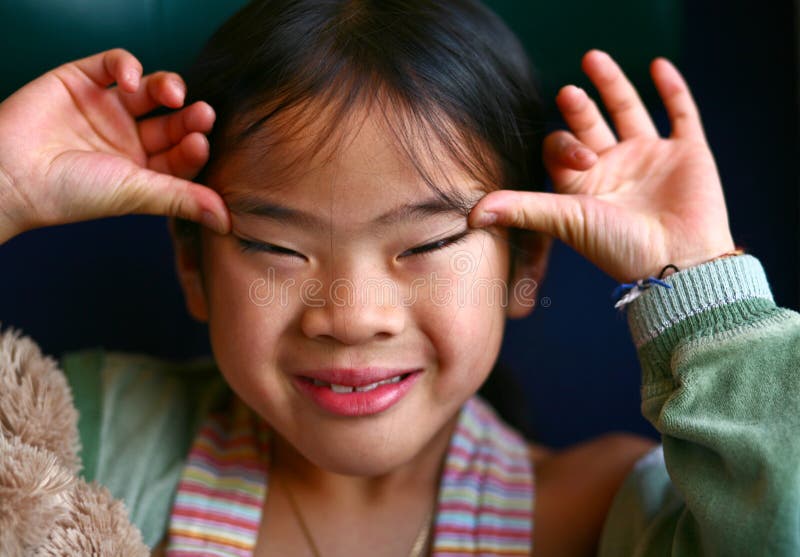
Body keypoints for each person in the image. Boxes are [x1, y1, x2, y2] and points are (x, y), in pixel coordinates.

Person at [0, 1, 798, 556]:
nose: (352, 316)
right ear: (193, 265)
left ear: (524, 266)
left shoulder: (604, 509)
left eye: (426, 244)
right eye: (277, 246)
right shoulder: (87, 432)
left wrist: (702, 280)